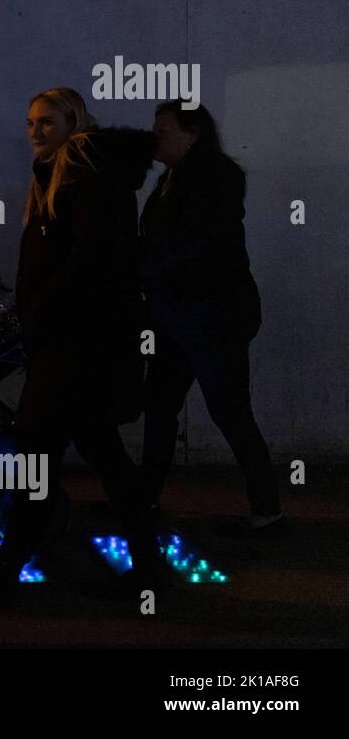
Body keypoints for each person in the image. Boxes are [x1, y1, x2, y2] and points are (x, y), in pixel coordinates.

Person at [0, 87, 165, 598]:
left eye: (48, 123)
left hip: (73, 347)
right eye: (32, 122)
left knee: (42, 455)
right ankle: (146, 564)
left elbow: (89, 261)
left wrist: (41, 307)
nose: (36, 131)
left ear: (73, 123)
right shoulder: (76, 173)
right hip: (77, 345)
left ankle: (5, 572)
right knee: (95, 455)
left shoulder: (81, 173)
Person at [139, 101, 282, 530]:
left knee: (227, 411)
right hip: (185, 316)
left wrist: (137, 267)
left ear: (192, 133)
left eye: (163, 130)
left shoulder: (212, 177)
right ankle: (145, 501)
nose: (155, 138)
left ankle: (266, 508)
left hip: (209, 317)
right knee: (170, 408)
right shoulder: (177, 178)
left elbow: (193, 242)